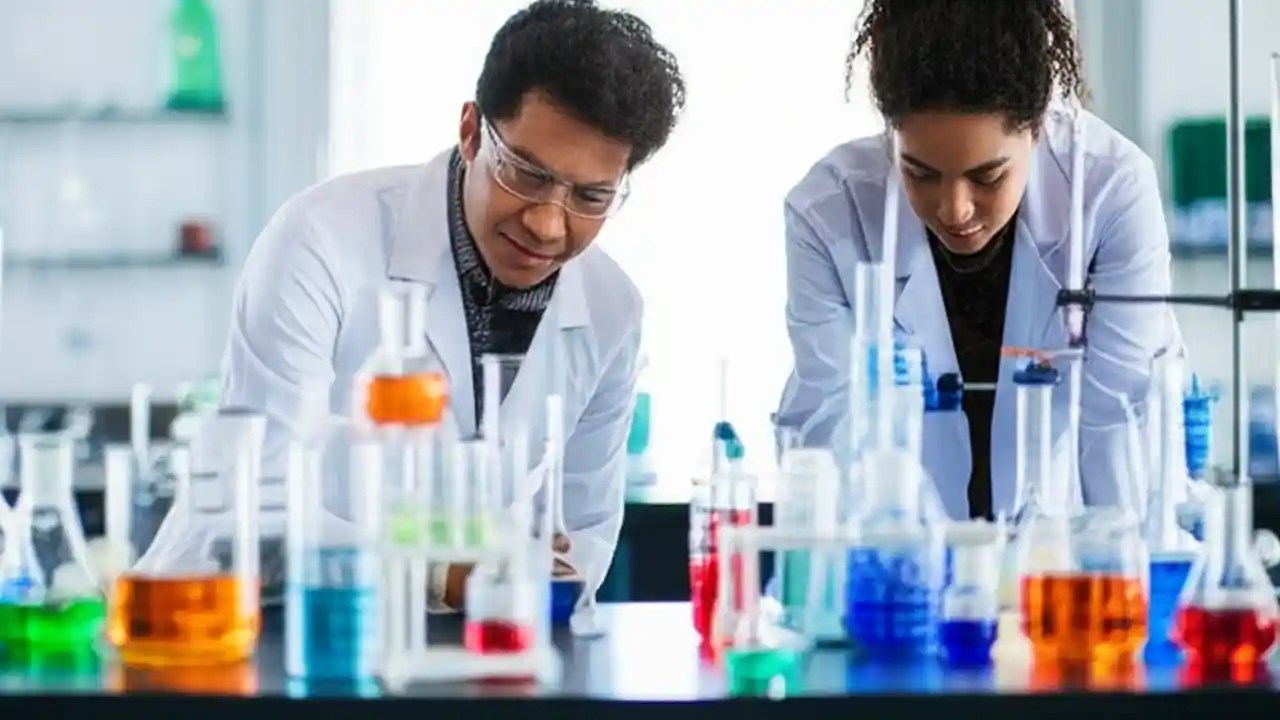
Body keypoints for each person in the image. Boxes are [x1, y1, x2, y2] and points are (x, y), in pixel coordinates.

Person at [221, 0, 685, 610]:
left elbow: (584, 531)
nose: (548, 224)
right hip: (307, 633)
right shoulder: (320, 238)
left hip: (497, 653)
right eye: (527, 174)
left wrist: (517, 596)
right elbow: (257, 499)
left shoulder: (611, 307)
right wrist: (446, 577)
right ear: (471, 131)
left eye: (592, 195)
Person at [774, 0, 1178, 521]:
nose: (954, 209)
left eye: (987, 177)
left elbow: (1115, 422)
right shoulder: (828, 212)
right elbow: (832, 432)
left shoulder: (1110, 190)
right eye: (919, 173)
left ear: (1035, 129)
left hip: (1062, 549)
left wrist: (1116, 576)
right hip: (903, 553)